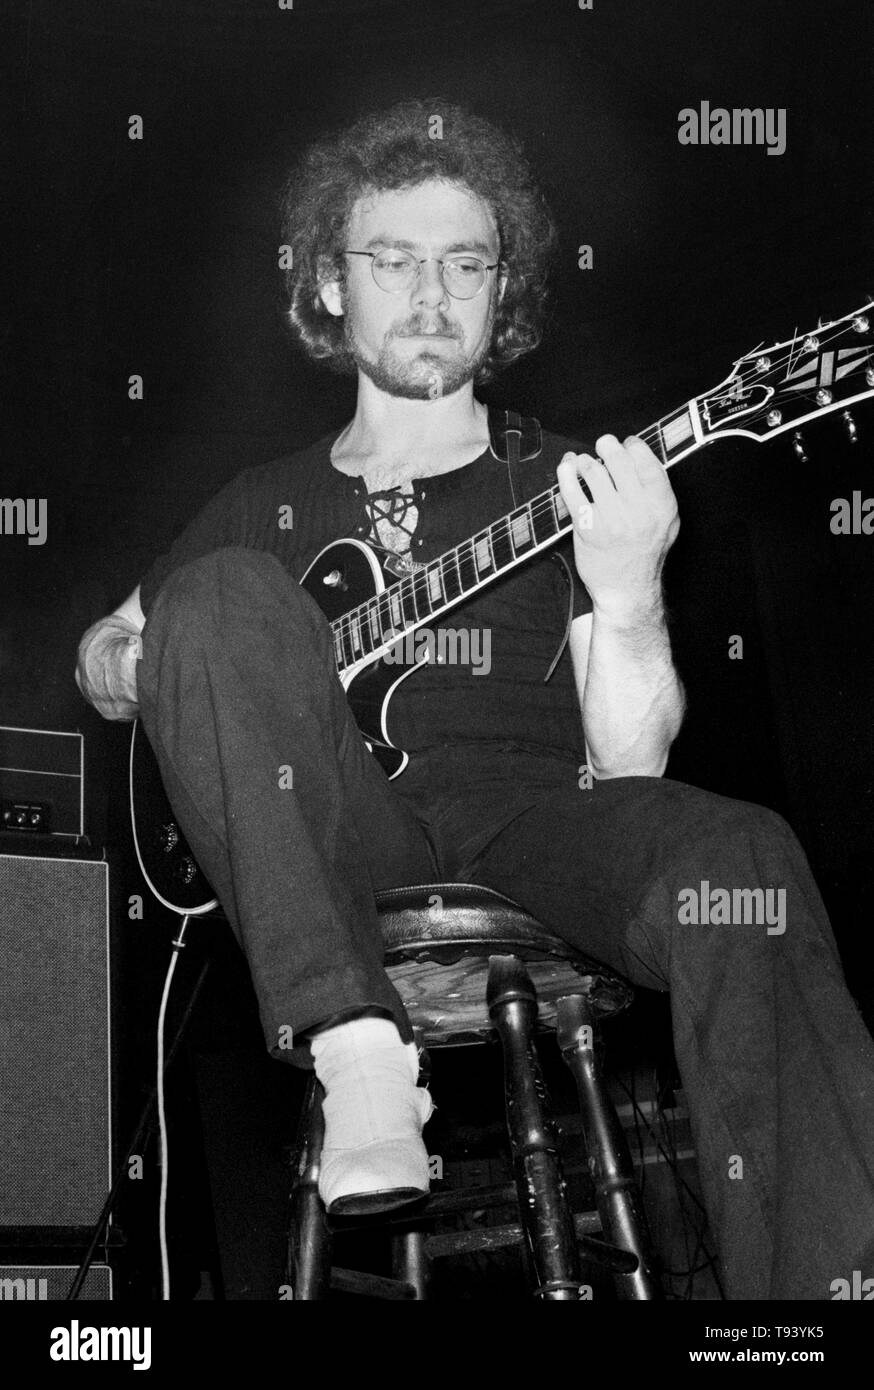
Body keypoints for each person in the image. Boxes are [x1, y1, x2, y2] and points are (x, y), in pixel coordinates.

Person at [76, 98, 874, 1298]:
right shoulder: (259, 500)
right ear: (332, 287)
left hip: (531, 819)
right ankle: (357, 1055)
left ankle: (821, 1298)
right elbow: (104, 655)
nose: (432, 293)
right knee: (224, 592)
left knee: (742, 860)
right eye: (392, 260)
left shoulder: (567, 477)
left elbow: (633, 767)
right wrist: (145, 662)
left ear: (502, 295)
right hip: (334, 833)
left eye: (465, 264)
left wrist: (630, 587)